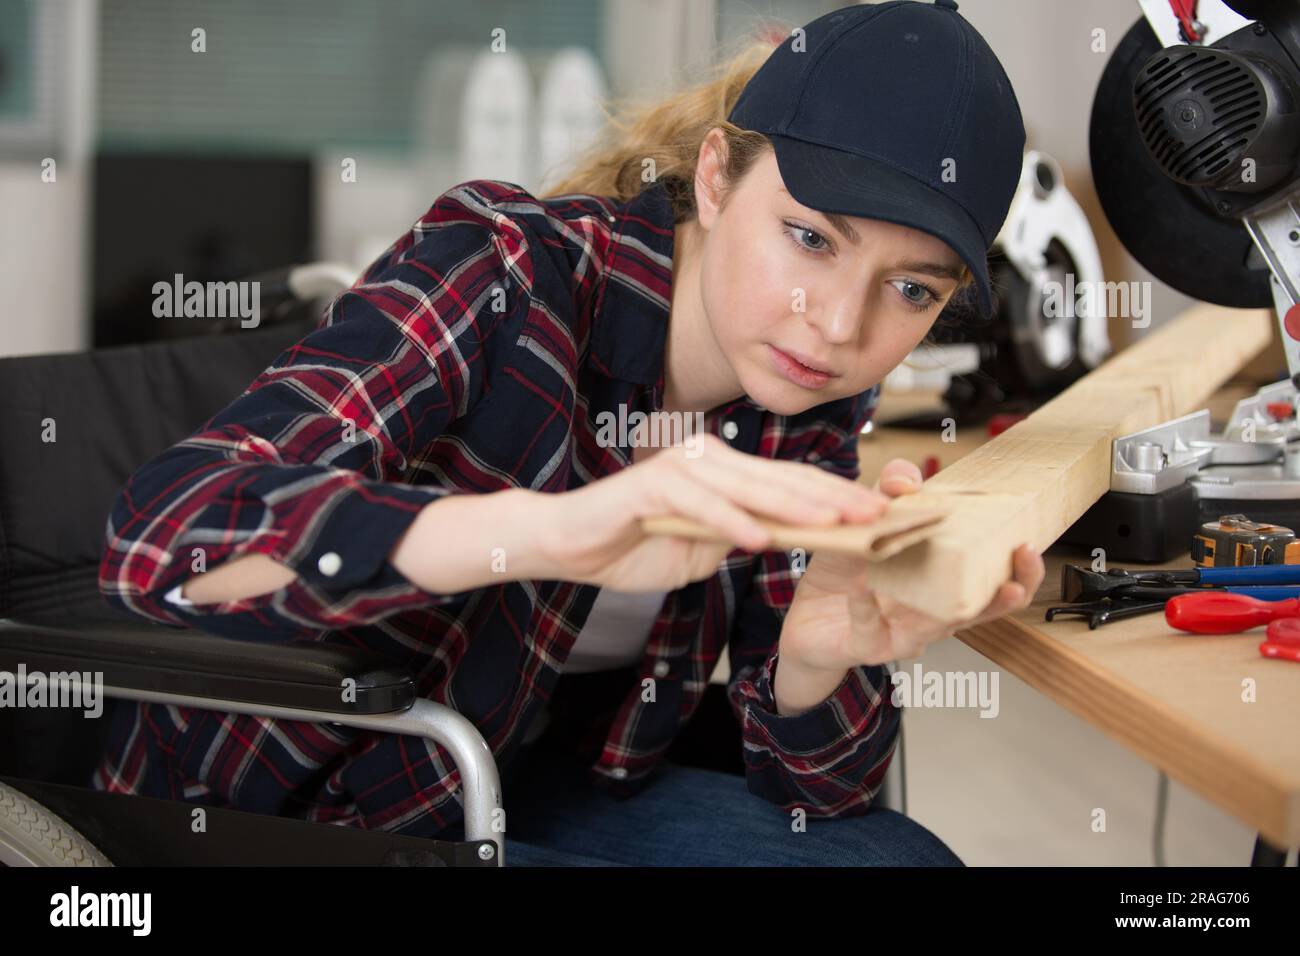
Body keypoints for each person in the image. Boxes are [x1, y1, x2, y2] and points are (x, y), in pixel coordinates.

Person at [94, 0, 1045, 866]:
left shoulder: (806, 402)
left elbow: (812, 795)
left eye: (912, 288)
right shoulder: (507, 270)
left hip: (524, 778)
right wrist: (548, 532)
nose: (838, 326)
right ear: (715, 180)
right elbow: (164, 535)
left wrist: (816, 659)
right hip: (293, 806)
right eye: (810, 239)